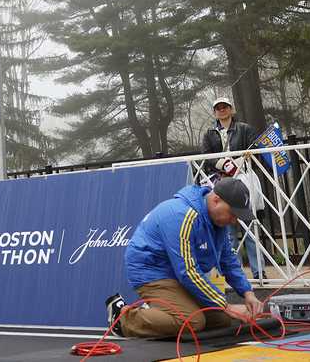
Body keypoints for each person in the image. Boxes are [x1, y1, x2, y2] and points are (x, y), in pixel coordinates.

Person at [107, 178, 264, 338]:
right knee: (193, 322)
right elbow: (188, 271)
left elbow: (228, 261)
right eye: (233, 214)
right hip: (152, 272)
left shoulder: (217, 223)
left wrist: (247, 293)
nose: (234, 220)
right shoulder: (180, 216)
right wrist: (226, 305)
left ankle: (165, 313)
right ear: (216, 200)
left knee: (221, 319)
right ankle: (123, 319)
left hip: (177, 274)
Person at [199, 97, 263, 278]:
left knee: (250, 226)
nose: (221, 110)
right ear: (214, 112)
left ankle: (259, 272)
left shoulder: (245, 129)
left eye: (225, 107)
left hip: (243, 180)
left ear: (231, 109)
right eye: (218, 108)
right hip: (221, 183)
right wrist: (221, 163)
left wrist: (239, 162)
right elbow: (206, 157)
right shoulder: (209, 133)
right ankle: (233, 273)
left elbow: (254, 150)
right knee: (228, 232)